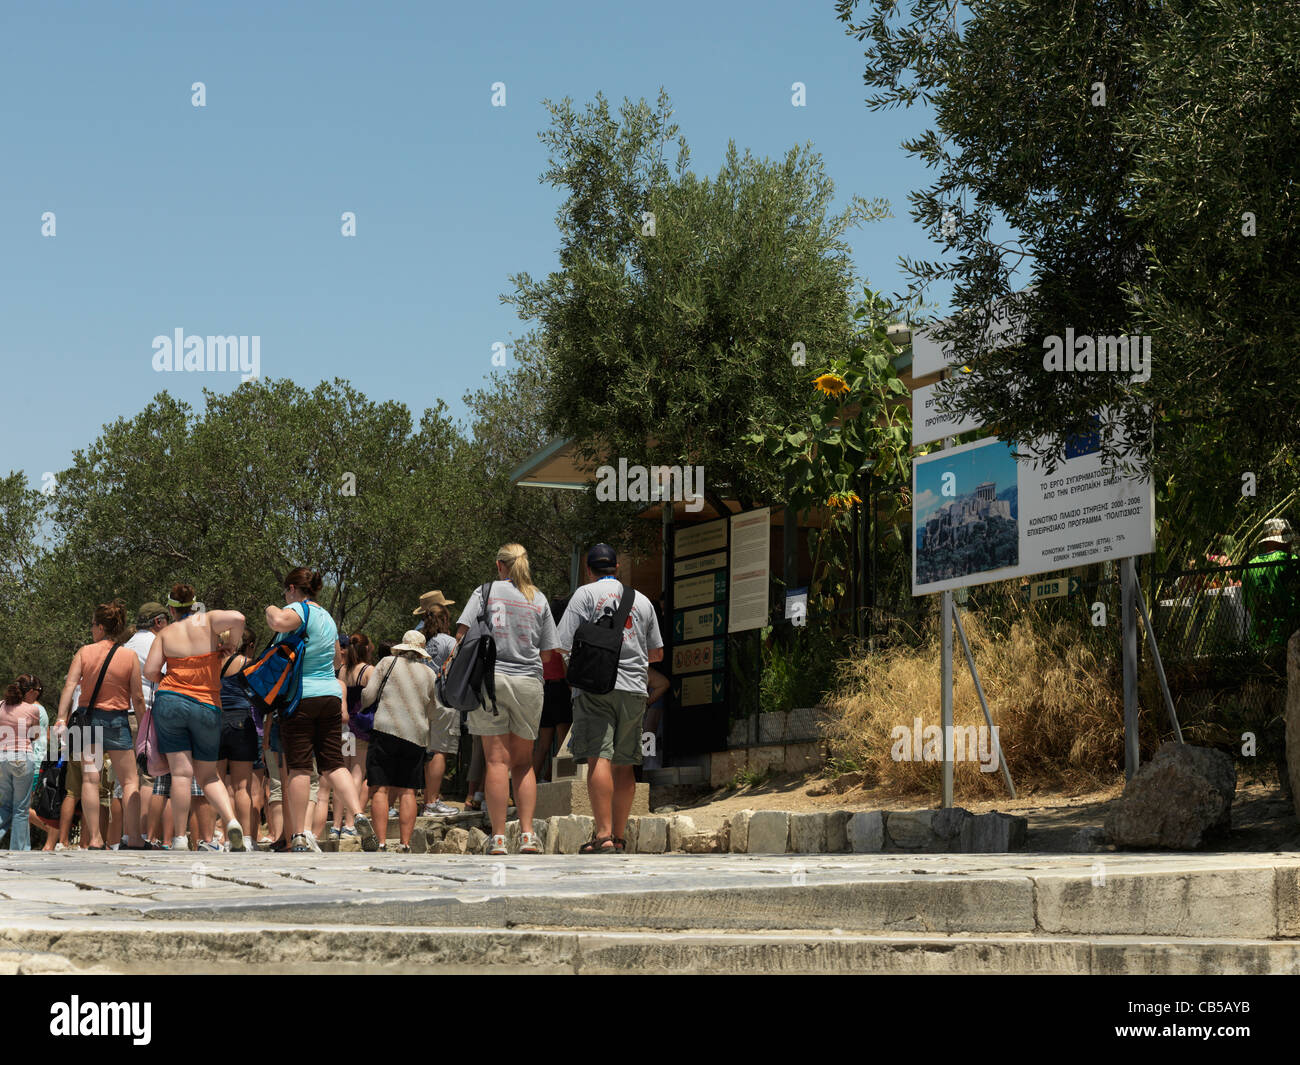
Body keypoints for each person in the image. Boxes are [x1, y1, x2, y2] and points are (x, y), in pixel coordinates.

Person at [556, 544, 664, 854]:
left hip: (594, 688)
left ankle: (601, 834)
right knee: (625, 763)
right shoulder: (641, 601)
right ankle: (618, 836)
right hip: (634, 690)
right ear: (616, 568)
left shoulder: (584, 595)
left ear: (588, 571)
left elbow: (562, 645)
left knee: (598, 758)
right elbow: (657, 653)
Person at [452, 543, 558, 856]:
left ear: (500, 566)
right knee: (524, 762)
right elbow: (549, 652)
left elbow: (461, 635)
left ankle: (498, 838)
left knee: (496, 761)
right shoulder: (538, 598)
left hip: (491, 681)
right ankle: (527, 835)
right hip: (528, 683)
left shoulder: (484, 592)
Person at [263, 567, 375, 852]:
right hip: (329, 696)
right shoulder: (327, 617)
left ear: (292, 589)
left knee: (300, 767)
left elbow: (276, 620)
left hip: (301, 697)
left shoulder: (299, 610)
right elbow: (338, 659)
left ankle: (299, 834)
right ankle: (358, 814)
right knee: (334, 763)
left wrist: (271, 606)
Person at [144, 584, 249, 852]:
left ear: (170, 609)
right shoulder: (210, 620)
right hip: (206, 704)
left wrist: (168, 678)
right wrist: (231, 644)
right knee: (209, 776)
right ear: (194, 604)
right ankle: (231, 821)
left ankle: (179, 839)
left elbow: (150, 671)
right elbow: (238, 618)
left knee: (180, 773)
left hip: (171, 702)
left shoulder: (165, 634)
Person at [53, 601, 149, 849]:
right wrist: (144, 729)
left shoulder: (84, 652)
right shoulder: (128, 656)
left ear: (100, 627)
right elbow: (138, 698)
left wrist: (61, 717)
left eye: (93, 625)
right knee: (129, 781)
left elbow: (69, 686)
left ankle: (95, 839)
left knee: (89, 779)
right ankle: (136, 838)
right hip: (117, 719)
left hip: (88, 720)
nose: (91, 630)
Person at [361, 631, 439, 850]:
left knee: (380, 789)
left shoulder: (387, 663)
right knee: (408, 791)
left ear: (403, 646)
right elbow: (434, 711)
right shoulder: (429, 673)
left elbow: (369, 695)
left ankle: (382, 843)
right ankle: (405, 844)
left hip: (385, 730)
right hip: (416, 736)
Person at [217, 627, 259, 841]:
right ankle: (248, 838)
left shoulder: (210, 662)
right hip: (241, 720)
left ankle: (225, 836)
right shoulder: (245, 662)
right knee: (242, 787)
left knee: (219, 786)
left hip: (215, 721)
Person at [419, 604, 460, 815]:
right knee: (440, 751)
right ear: (445, 620)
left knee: (429, 751)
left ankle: (427, 799)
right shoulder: (451, 642)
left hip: (423, 701)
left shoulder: (421, 643)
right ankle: (432, 802)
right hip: (444, 700)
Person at [0, 675, 45, 850]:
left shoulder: (1, 705)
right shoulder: (32, 710)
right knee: (21, 808)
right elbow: (34, 735)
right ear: (31, 691)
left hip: (2, 758)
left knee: (5, 805)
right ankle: (19, 849)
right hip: (21, 758)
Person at [533, 594, 573, 784]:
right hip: (560, 688)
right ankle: (552, 779)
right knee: (563, 739)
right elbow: (565, 667)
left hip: (544, 689)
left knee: (543, 743)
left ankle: (530, 782)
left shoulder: (544, 636)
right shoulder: (562, 635)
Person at [341, 633, 377, 834]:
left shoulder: (342, 671)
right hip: (361, 727)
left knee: (345, 774)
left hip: (344, 729)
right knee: (357, 773)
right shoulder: (368, 671)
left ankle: (340, 823)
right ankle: (350, 822)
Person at [1243, 518, 1298, 647]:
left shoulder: (1249, 567)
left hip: (1258, 641)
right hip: (1288, 639)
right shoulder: (1291, 561)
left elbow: (1249, 607)